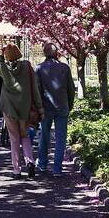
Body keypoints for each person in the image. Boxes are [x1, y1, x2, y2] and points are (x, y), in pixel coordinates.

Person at [0, 43, 43, 178]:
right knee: (25, 135)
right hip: (25, 106)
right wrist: (39, 106)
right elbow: (34, 87)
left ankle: (16, 169)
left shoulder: (3, 67)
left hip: (9, 107)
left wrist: (1, 56)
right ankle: (30, 161)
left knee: (14, 138)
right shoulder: (27, 66)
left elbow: (0, 68)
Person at [35, 42, 77, 176]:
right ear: (57, 53)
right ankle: (57, 168)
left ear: (44, 53)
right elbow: (71, 89)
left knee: (44, 135)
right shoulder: (65, 68)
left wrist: (38, 107)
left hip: (45, 107)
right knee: (61, 138)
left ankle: (42, 163)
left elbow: (37, 90)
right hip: (62, 106)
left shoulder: (39, 68)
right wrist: (69, 104)